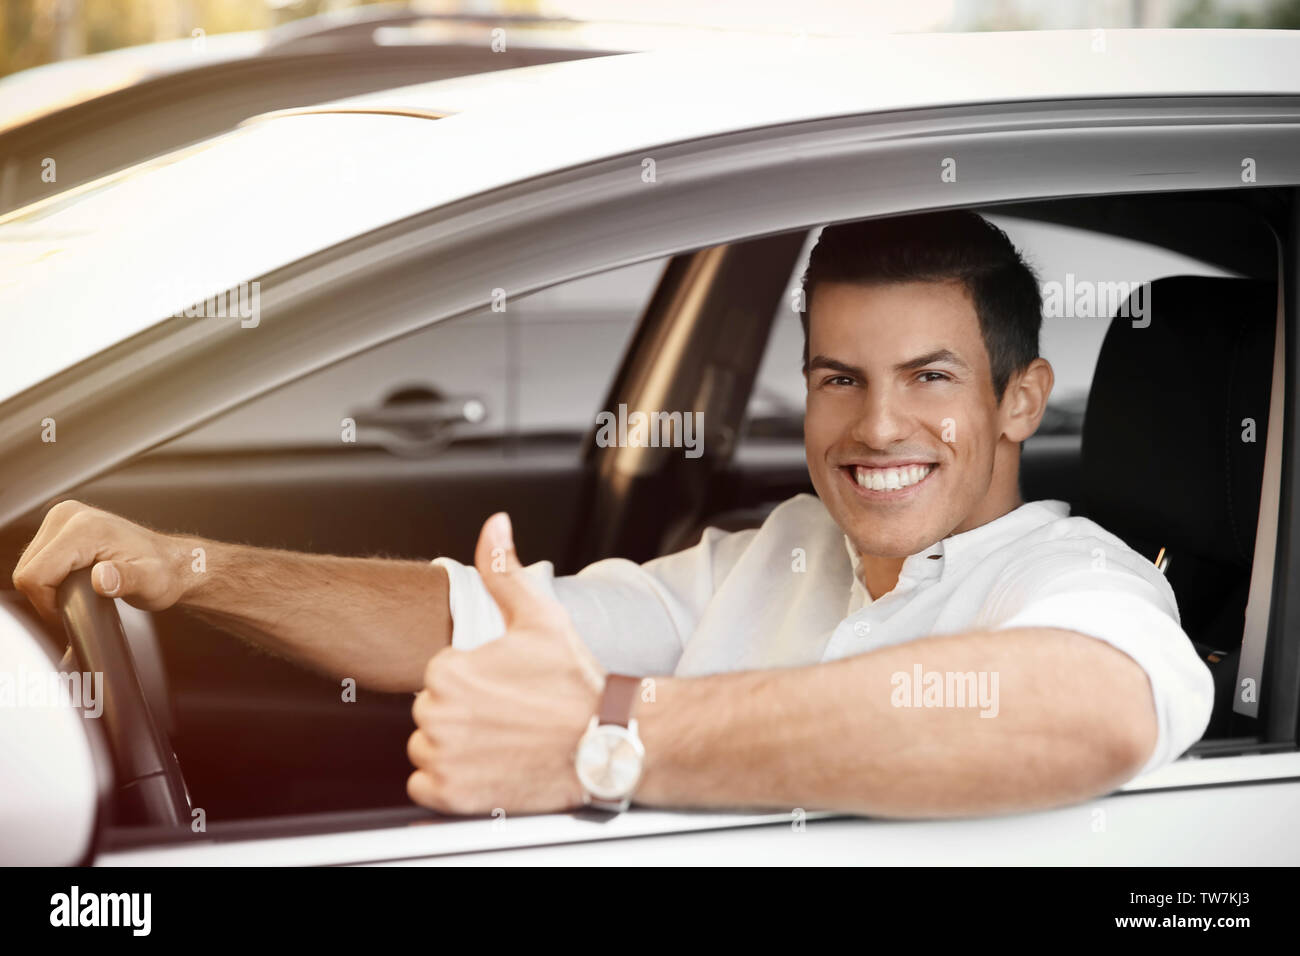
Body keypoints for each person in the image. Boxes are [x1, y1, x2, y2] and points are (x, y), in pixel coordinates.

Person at [12, 211, 1214, 818]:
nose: (877, 426)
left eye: (930, 377)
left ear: (1020, 400)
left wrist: (608, 737)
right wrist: (190, 564)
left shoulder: (1072, 573)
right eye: (840, 377)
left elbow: (1094, 706)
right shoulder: (783, 550)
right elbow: (463, 621)